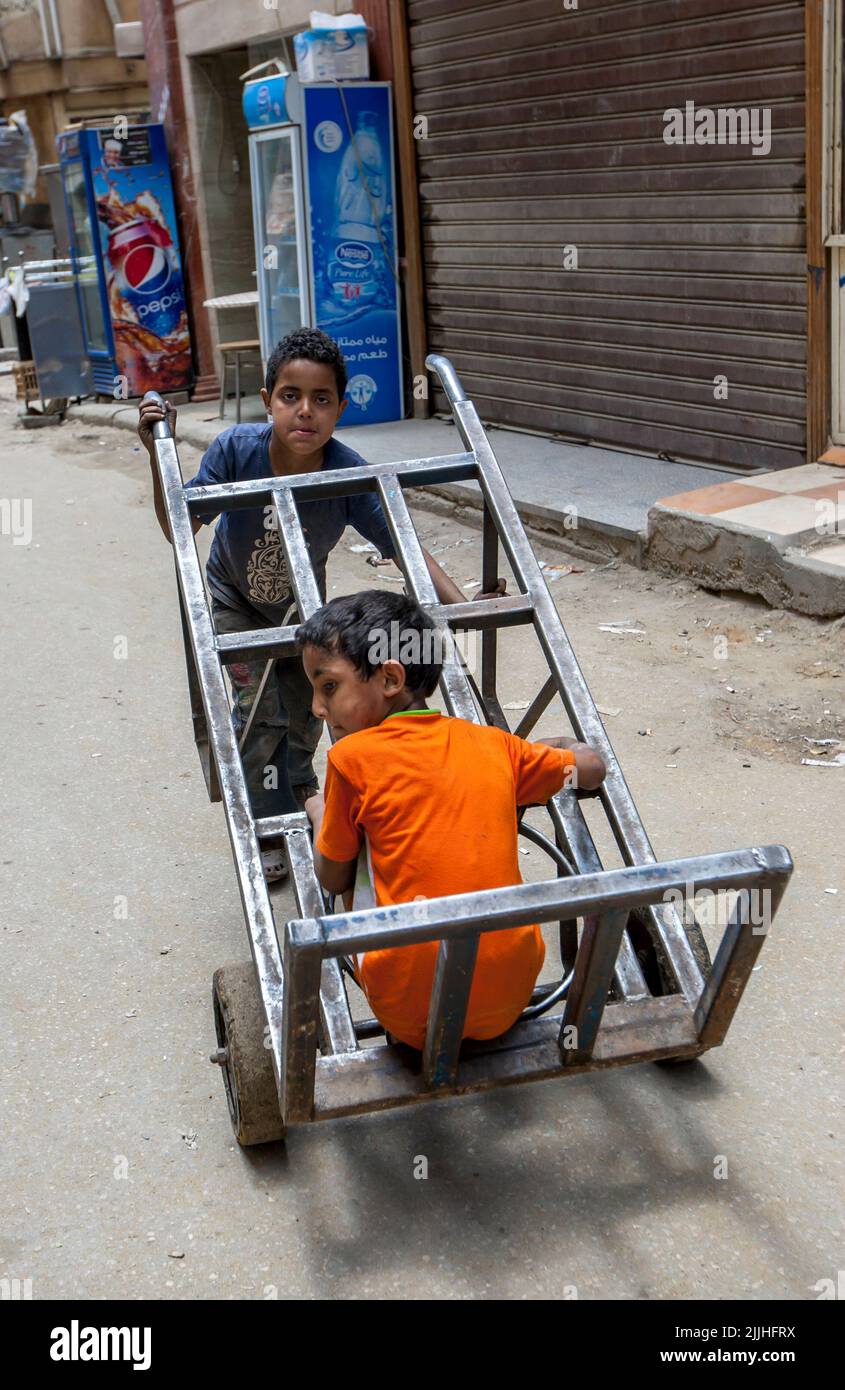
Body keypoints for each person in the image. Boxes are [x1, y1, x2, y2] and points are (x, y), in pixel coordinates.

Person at [138, 327, 490, 881]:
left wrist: (461, 609)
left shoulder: (347, 472)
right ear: (268, 402)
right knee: (259, 714)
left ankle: (306, 806)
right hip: (234, 599)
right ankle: (267, 824)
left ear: (341, 408)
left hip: (303, 609)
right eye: (291, 397)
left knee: (306, 716)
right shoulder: (236, 450)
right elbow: (178, 527)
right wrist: (157, 459)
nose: (306, 412)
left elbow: (405, 547)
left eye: (321, 400)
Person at [298, 590, 606, 1051]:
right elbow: (591, 766)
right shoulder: (495, 746)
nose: (318, 708)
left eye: (328, 687)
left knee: (356, 842)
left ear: (389, 679)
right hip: (512, 993)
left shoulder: (349, 759)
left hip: (408, 1009)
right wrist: (556, 748)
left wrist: (319, 810)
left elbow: (333, 875)